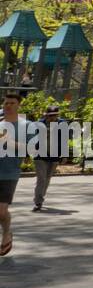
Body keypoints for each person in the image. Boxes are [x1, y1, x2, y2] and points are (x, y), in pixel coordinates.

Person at [1, 92, 35, 256]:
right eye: (6, 103)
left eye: (11, 103)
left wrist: (6, 140)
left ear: (18, 105)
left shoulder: (27, 126)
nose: (8, 106)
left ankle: (7, 233)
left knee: (1, 211)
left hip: (9, 173)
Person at [32, 105, 67, 211]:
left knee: (47, 179)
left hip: (54, 156)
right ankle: (38, 202)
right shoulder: (39, 124)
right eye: (50, 115)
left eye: (55, 115)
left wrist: (64, 154)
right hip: (40, 155)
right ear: (46, 115)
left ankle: (40, 197)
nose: (53, 117)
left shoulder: (62, 124)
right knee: (41, 179)